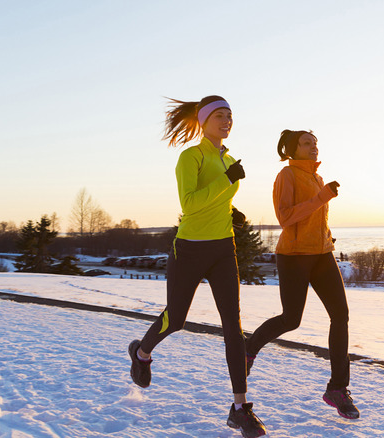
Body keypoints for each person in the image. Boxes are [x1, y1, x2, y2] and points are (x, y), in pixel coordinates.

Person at [127, 95, 266, 438]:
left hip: (223, 248)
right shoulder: (191, 156)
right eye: (220, 115)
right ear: (203, 121)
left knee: (233, 327)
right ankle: (142, 353)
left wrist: (233, 211)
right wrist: (226, 181)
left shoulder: (228, 158)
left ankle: (239, 408)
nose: (227, 120)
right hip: (189, 249)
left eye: (230, 115)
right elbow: (189, 205)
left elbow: (215, 200)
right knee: (176, 319)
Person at [246, 130, 360, 419]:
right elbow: (285, 217)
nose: (314, 148)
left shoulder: (317, 177)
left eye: (316, 143)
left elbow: (316, 218)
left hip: (322, 255)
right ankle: (250, 347)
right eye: (307, 143)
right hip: (294, 256)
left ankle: (337, 389)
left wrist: (328, 238)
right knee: (291, 320)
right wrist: (321, 198)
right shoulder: (287, 176)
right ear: (292, 149)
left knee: (340, 316)